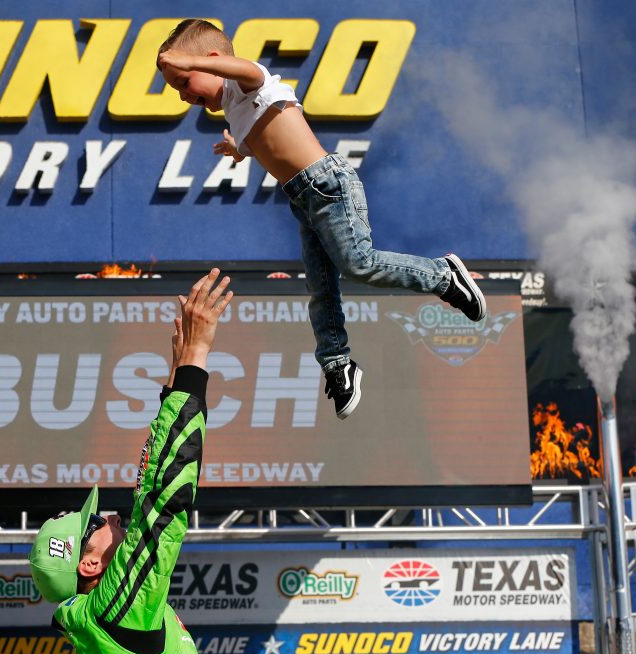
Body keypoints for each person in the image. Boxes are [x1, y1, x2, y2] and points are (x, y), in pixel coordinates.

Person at [156, 19, 487, 419]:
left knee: (358, 263)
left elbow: (244, 70)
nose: (182, 96)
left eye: (184, 82)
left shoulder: (250, 82)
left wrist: (184, 57)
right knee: (320, 287)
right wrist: (239, 146)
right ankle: (338, 363)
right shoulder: (234, 108)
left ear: (212, 61)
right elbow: (267, 137)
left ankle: (444, 276)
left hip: (327, 185)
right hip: (304, 199)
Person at [28, 268, 232, 654]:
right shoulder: (112, 612)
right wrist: (195, 359)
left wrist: (174, 386)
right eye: (96, 524)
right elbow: (161, 501)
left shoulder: (116, 614)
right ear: (88, 564)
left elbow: (149, 490)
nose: (108, 516)